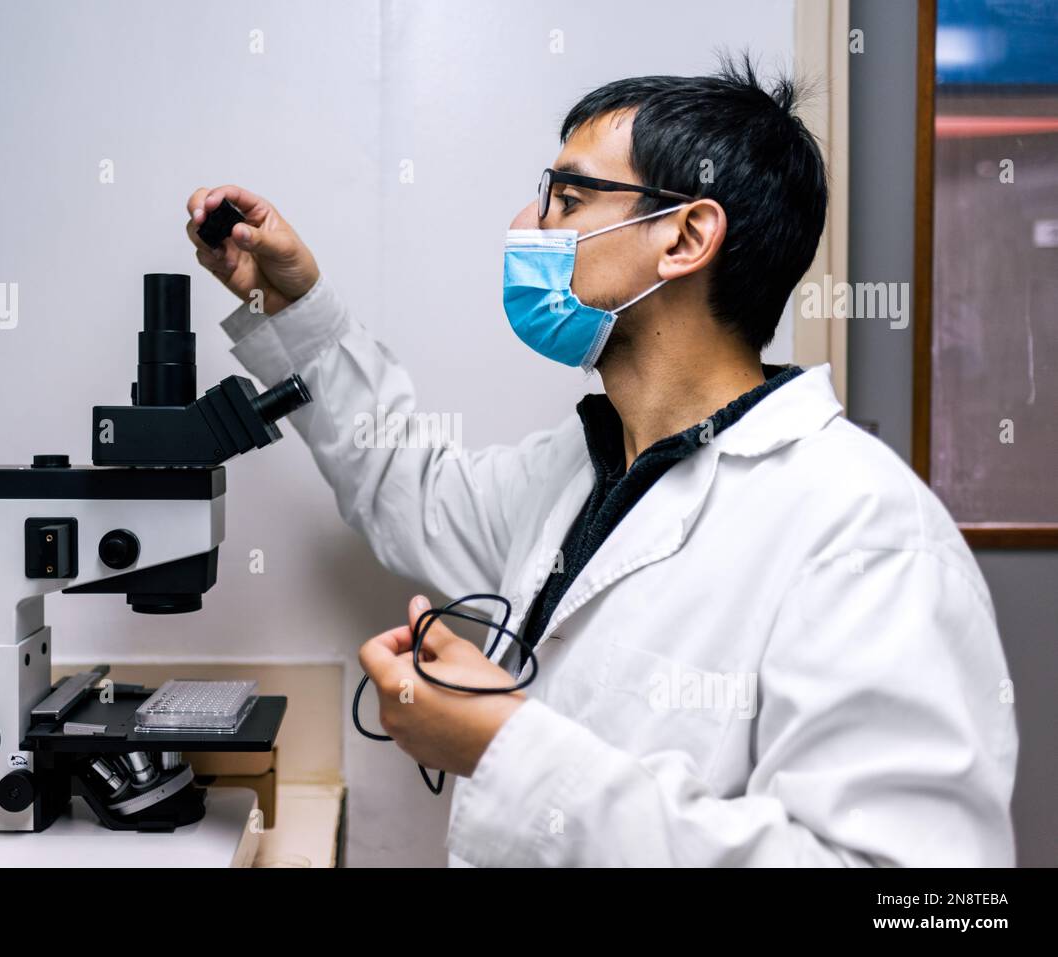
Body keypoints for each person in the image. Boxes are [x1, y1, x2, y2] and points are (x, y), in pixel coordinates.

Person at [185, 56, 1017, 867]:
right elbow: (413, 489)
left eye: (569, 197)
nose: (527, 224)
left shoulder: (866, 533)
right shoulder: (586, 469)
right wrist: (290, 302)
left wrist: (509, 748)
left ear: (687, 235)